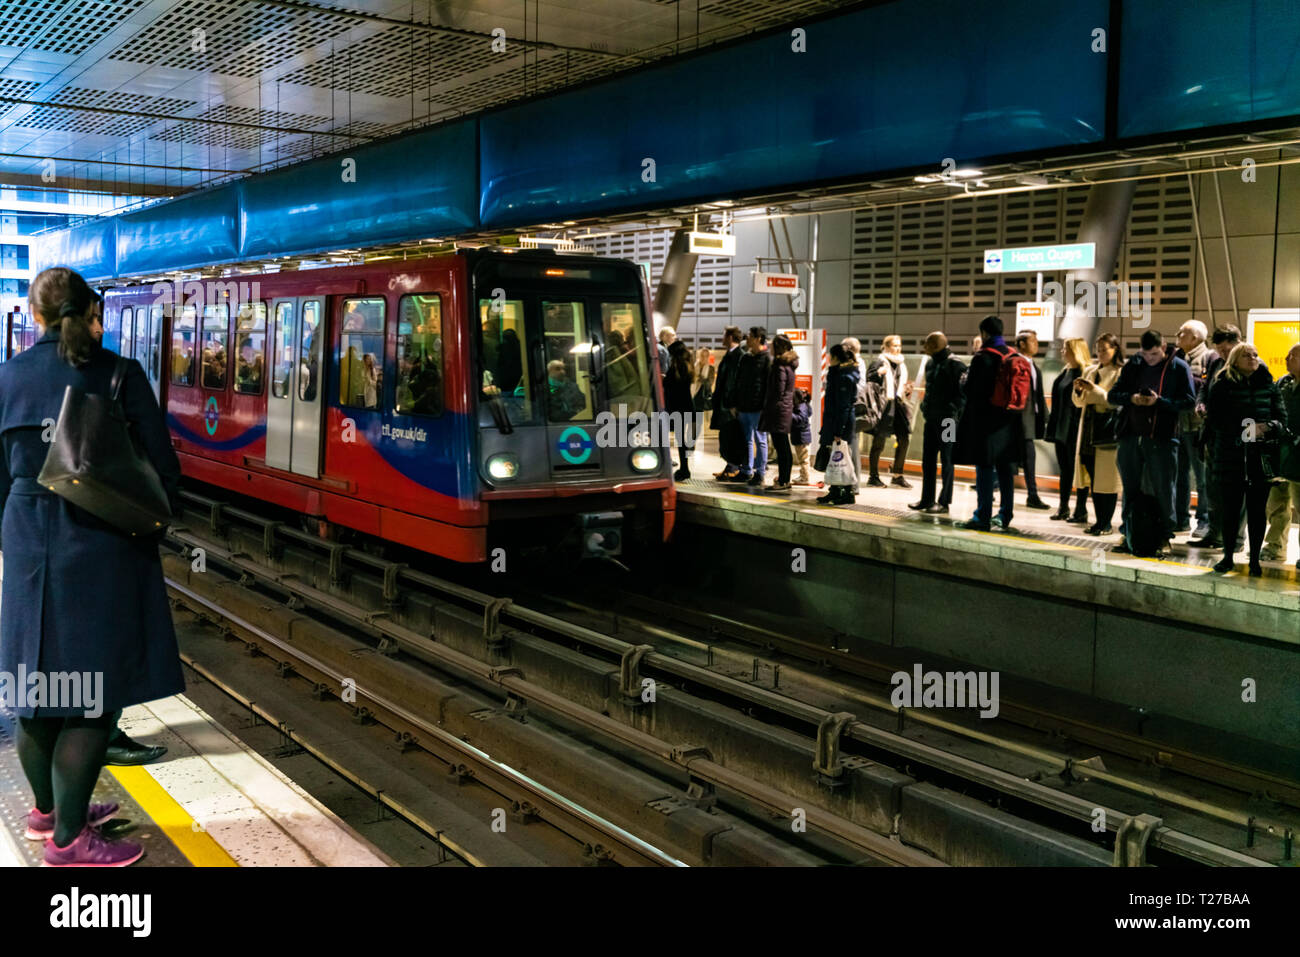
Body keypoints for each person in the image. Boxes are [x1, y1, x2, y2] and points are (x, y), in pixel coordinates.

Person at [0, 267, 182, 866]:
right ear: (90, 310)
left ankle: (51, 812)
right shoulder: (118, 374)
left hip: (27, 536)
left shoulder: (7, 377)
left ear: (36, 315)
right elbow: (163, 469)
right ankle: (70, 842)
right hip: (99, 543)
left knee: (35, 687)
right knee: (90, 697)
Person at [85, 294, 170, 767]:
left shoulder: (17, 374)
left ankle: (51, 812)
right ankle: (105, 733)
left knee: (60, 651)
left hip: (40, 536)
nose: (101, 327)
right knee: (111, 637)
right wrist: (157, 518)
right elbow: (160, 457)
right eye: (95, 318)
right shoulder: (121, 373)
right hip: (111, 528)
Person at [1204, 341, 1290, 575]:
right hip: (1230, 456)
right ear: (1235, 360)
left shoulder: (1269, 385)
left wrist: (1266, 427)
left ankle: (1254, 561)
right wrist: (1243, 430)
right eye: (1247, 355)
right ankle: (1228, 556)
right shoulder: (1222, 385)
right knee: (1230, 510)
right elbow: (1215, 420)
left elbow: (1282, 420)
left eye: (1255, 354)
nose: (1253, 358)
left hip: (1259, 458)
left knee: (1257, 510)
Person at [1108, 330, 1196, 556]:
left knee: (1164, 487)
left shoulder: (1178, 367)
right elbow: (1113, 395)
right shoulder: (1134, 365)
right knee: (1130, 488)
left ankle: (1164, 536)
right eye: (1146, 354)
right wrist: (1132, 398)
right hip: (1131, 435)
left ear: (1164, 346)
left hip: (1163, 437)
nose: (1150, 359)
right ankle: (1129, 532)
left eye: (1155, 354)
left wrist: (1159, 402)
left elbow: (1188, 402)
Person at [955, 315, 1022, 531]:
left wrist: (964, 382)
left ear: (984, 333)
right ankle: (1005, 514)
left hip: (986, 421)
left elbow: (971, 390)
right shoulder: (1013, 355)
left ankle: (982, 516)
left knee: (984, 468)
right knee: (1005, 469)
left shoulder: (983, 357)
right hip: (1009, 421)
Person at [1190, 324, 1244, 549]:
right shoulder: (1216, 362)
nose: (1223, 353)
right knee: (1214, 488)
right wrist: (1201, 403)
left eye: (1227, 349)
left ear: (1238, 343)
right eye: (1220, 349)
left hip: (1235, 438)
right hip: (1213, 436)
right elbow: (1204, 388)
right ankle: (1215, 533)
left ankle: (1237, 538)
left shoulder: (1250, 363)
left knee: (1236, 490)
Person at [1072, 333, 1124, 535]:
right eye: (1098, 350)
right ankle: (1098, 521)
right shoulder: (1090, 370)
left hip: (1107, 431)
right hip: (1088, 429)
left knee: (1107, 481)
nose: (1101, 354)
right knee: (1093, 478)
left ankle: (1106, 522)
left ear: (1115, 349)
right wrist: (1078, 391)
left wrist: (1096, 391)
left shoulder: (1120, 372)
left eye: (1105, 350)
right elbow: (1079, 402)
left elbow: (1116, 401)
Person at [908, 332, 965, 514]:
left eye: (926, 344)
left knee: (948, 459)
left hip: (948, 420)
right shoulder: (931, 363)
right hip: (931, 419)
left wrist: (953, 411)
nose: (924, 347)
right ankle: (927, 499)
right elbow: (929, 389)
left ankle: (944, 501)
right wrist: (926, 408)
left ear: (934, 345)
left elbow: (962, 394)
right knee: (928, 460)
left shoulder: (956, 364)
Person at [1262, 343, 1300, 566]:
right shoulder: (1283, 383)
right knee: (1276, 503)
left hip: (1299, 454)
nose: (1286, 358)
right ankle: (1274, 547)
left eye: (1292, 356)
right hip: (1280, 453)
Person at [1174, 320, 1212, 535]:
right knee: (1180, 475)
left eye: (1183, 333)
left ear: (1195, 338)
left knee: (1202, 477)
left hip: (1198, 426)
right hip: (1179, 424)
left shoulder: (1208, 358)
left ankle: (1204, 520)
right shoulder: (1178, 357)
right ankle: (1181, 518)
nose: (1177, 335)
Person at [1047, 338, 1090, 521]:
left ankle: (1080, 508)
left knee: (1078, 469)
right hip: (1060, 427)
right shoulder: (1065, 371)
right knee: (1065, 469)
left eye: (1066, 349)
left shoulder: (1084, 372)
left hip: (1074, 427)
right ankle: (1063, 506)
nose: (1063, 351)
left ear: (1075, 351)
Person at [865, 335, 913, 488]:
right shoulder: (879, 362)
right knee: (879, 442)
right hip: (884, 406)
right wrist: (879, 373)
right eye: (894, 345)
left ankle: (897, 475)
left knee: (904, 438)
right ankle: (873, 476)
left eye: (899, 345)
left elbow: (901, 383)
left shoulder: (901, 364)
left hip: (898, 403)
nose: (898, 348)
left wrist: (906, 390)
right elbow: (869, 380)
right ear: (885, 347)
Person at [726, 326, 772, 486]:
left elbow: (768, 385)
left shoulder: (767, 359)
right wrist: (734, 402)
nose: (748, 339)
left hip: (758, 407)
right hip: (743, 406)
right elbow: (738, 381)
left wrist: (765, 406)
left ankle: (760, 473)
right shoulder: (746, 358)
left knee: (760, 440)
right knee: (746, 439)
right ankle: (746, 470)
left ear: (758, 338)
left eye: (750, 336)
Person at [817, 344, 860, 505]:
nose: (828, 358)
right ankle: (834, 491)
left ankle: (847, 493)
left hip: (840, 423)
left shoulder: (844, 377)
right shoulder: (837, 373)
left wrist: (839, 430)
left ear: (835, 358)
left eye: (830, 355)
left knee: (842, 458)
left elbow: (844, 406)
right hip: (833, 420)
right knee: (833, 458)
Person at [1014, 332, 1051, 509]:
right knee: (1022, 457)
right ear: (1021, 344)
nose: (1037, 344)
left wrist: (1045, 416)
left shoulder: (1033, 365)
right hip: (1018, 420)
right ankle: (1032, 495)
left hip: (1030, 419)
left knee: (1028, 457)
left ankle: (1032, 495)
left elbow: (1038, 394)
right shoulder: (1015, 362)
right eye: (1033, 341)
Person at [760, 334, 798, 490]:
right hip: (783, 410)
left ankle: (783, 481)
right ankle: (784, 479)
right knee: (783, 446)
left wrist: (770, 408)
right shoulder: (788, 365)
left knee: (781, 447)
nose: (769, 348)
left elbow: (778, 391)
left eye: (772, 346)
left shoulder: (780, 366)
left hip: (778, 411)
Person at [711, 326, 745, 480]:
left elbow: (734, 382)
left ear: (731, 337)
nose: (722, 338)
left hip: (729, 405)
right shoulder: (729, 355)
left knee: (732, 436)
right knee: (725, 436)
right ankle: (730, 465)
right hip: (724, 403)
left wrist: (732, 404)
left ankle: (734, 466)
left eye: (724, 335)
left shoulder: (739, 356)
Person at [664, 340, 695, 480]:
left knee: (679, 439)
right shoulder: (688, 366)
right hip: (686, 406)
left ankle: (683, 469)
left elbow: (671, 385)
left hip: (676, 407)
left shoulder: (677, 367)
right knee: (682, 440)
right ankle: (684, 468)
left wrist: (663, 379)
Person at [791, 387, 813, 485]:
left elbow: (801, 419)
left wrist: (789, 414)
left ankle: (805, 478)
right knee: (802, 459)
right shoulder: (804, 405)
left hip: (802, 437)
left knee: (804, 459)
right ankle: (803, 475)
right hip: (801, 436)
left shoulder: (800, 407)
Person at [692, 346, 715, 412]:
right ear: (699, 356)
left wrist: (698, 377)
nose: (704, 358)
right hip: (692, 396)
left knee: (698, 420)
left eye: (706, 356)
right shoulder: (693, 367)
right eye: (702, 355)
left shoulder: (711, 368)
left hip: (702, 397)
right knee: (689, 419)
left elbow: (709, 383)